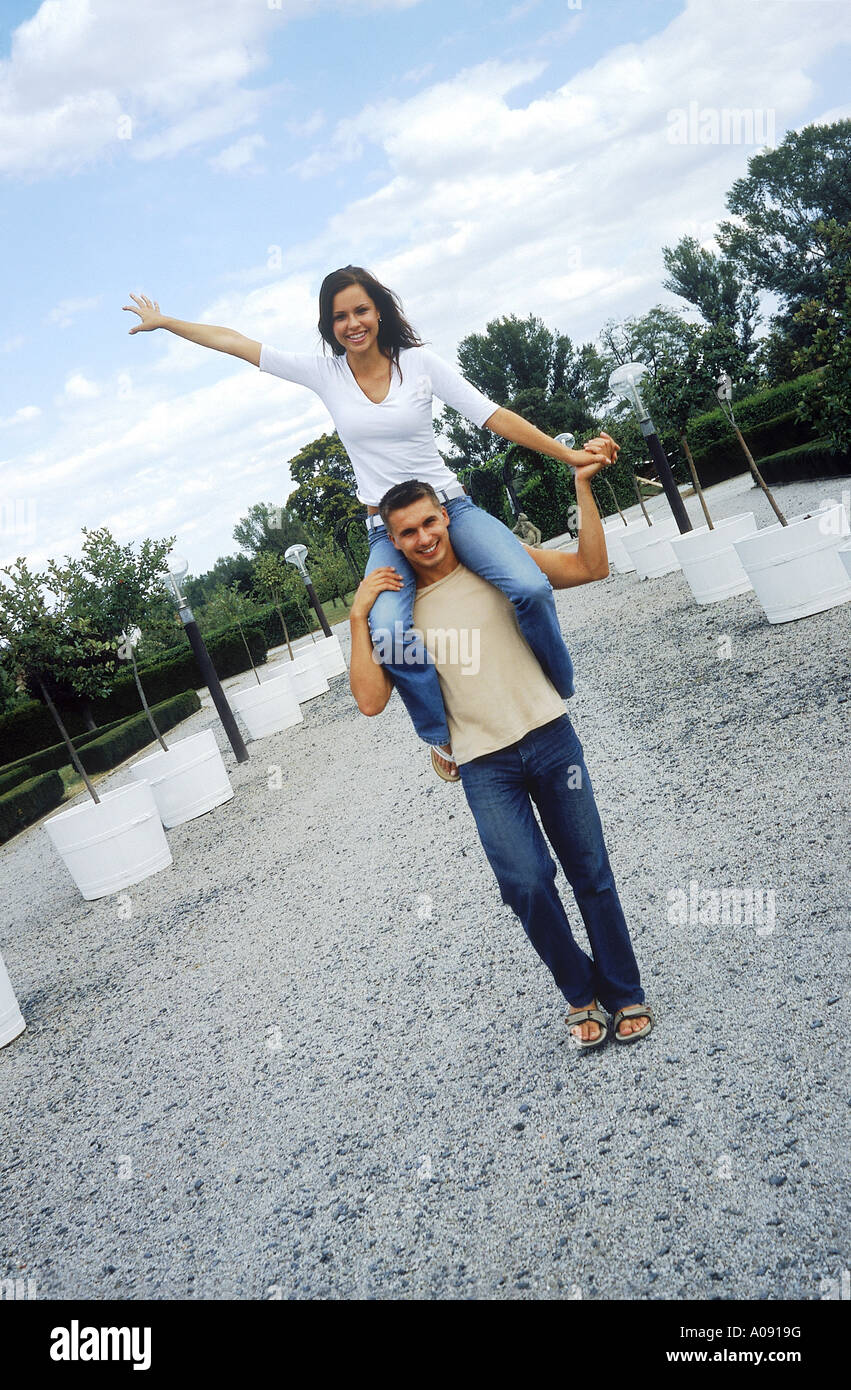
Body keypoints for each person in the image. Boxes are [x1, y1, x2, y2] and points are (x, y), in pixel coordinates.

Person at [123, 267, 615, 781]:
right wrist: (165, 322)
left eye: (360, 310)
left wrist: (568, 455)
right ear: (328, 324)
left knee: (530, 587)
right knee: (388, 629)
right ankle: (440, 737)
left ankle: (555, 686)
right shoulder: (325, 374)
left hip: (446, 509)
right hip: (385, 529)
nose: (352, 323)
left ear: (378, 311)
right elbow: (237, 343)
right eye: (339, 316)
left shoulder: (419, 364)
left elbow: (491, 416)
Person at [347, 472, 653, 1049]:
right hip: (486, 764)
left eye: (430, 522)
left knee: (590, 870)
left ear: (447, 516)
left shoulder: (500, 568)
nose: (423, 538)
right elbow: (369, 701)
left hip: (550, 734)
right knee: (526, 884)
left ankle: (622, 990)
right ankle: (579, 990)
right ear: (392, 540)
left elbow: (592, 567)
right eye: (406, 532)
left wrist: (581, 485)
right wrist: (360, 617)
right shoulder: (400, 616)